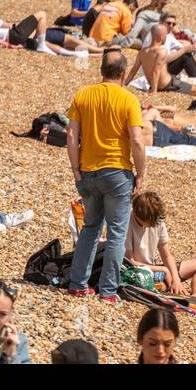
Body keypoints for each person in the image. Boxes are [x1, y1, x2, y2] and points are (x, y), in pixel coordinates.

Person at [65, 49, 146, 303]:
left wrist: (76, 169)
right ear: (123, 73)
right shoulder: (128, 100)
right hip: (116, 172)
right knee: (116, 233)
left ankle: (78, 284)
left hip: (88, 170)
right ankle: (108, 291)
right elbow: (136, 140)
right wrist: (141, 173)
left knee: (90, 227)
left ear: (101, 70)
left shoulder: (83, 95)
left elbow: (71, 135)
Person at [126, 190, 196, 298]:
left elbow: (166, 256)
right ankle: (166, 288)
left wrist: (176, 279)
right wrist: (163, 270)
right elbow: (130, 263)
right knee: (156, 282)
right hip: (138, 273)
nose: (153, 225)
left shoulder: (156, 220)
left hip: (155, 270)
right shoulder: (127, 223)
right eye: (150, 223)